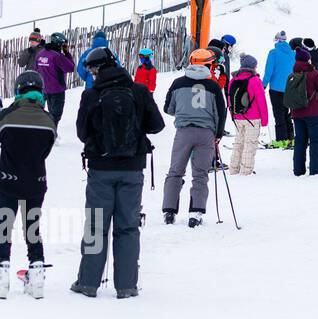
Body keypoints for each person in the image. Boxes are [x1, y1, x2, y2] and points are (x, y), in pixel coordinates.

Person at [72, 46, 165, 297]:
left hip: (101, 169)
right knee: (128, 227)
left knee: (95, 226)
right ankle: (126, 286)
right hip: (133, 169)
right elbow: (157, 125)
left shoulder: (91, 95)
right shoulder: (139, 91)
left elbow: (82, 133)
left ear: (97, 70)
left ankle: (88, 282)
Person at [0, 71, 56, 300]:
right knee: (32, 227)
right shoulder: (49, 120)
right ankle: (37, 273)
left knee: (4, 226)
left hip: (7, 180)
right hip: (36, 182)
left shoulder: (6, 116)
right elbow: (46, 151)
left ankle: (2, 275)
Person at [162, 50, 226, 226]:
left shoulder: (177, 83)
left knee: (175, 171)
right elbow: (221, 112)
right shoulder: (213, 86)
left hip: (183, 132)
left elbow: (168, 108)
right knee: (200, 174)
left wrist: (184, 110)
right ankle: (196, 212)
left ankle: (169, 211)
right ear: (207, 65)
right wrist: (218, 133)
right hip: (206, 133)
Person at [287, 47, 318, 175]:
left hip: (297, 113)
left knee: (300, 140)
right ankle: (316, 169)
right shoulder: (314, 74)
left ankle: (298, 170)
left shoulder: (292, 75)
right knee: (315, 140)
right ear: (308, 60)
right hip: (314, 113)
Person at [228, 54, 268, 176]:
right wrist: (264, 120)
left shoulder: (233, 80)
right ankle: (245, 171)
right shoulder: (255, 81)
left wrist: (233, 115)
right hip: (253, 118)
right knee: (250, 144)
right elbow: (261, 101)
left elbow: (229, 98)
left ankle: (234, 169)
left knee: (238, 143)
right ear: (252, 67)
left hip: (238, 117)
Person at [33, 33, 76, 133]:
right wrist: (67, 53)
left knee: (51, 113)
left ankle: (49, 131)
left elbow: (36, 69)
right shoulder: (57, 56)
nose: (64, 47)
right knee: (56, 115)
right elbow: (71, 67)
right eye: (63, 45)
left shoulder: (41, 54)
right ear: (59, 43)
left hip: (45, 89)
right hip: (57, 89)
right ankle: (51, 134)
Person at [264, 31, 295, 147]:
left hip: (276, 89)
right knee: (287, 114)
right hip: (290, 88)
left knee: (279, 114)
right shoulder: (292, 53)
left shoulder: (273, 53)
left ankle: (282, 140)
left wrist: (263, 84)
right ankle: (291, 138)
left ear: (276, 40)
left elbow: (269, 71)